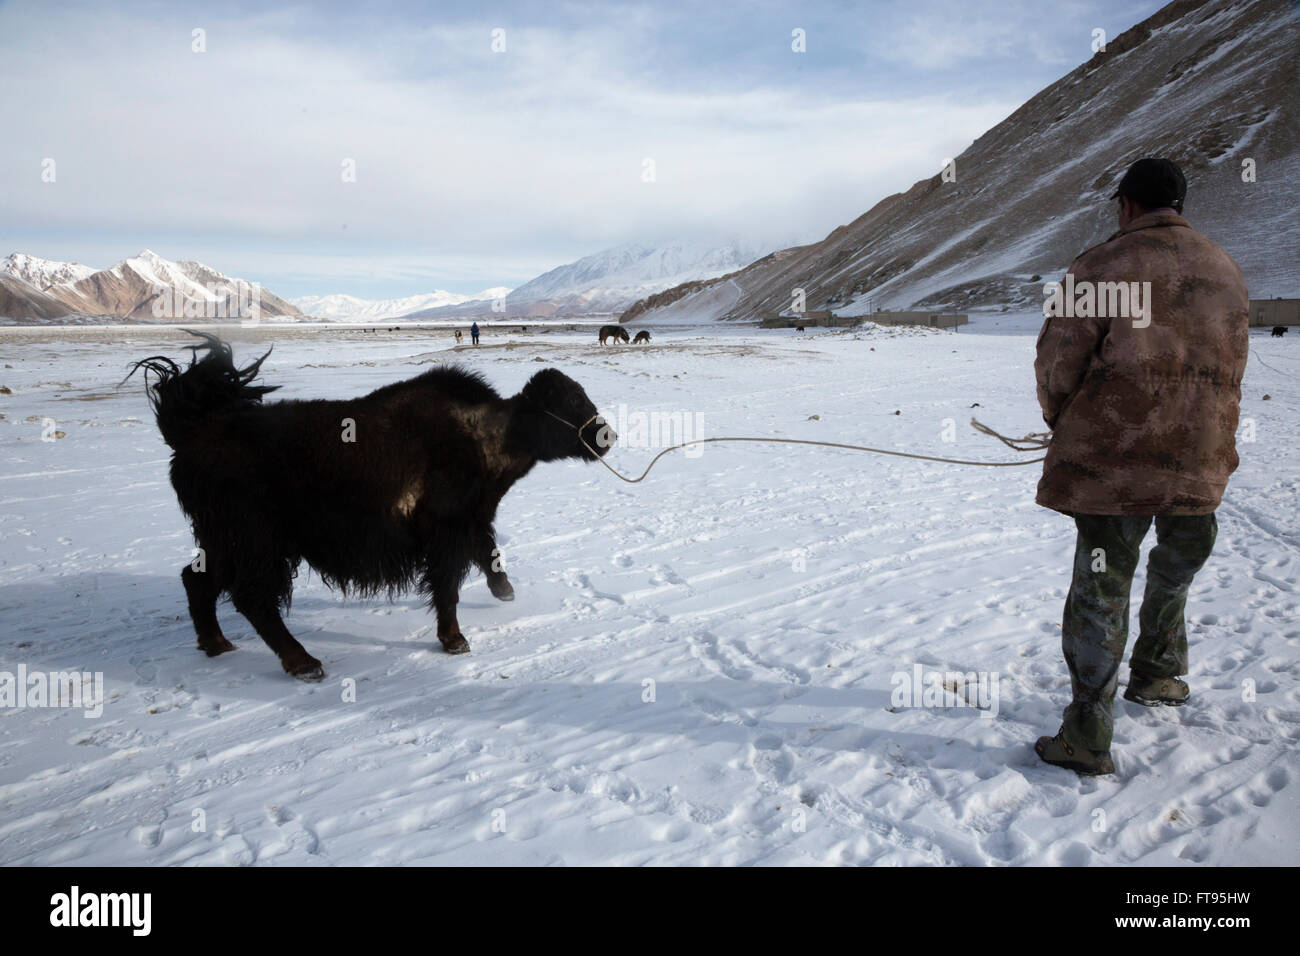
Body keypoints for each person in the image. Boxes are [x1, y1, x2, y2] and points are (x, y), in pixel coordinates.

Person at [1032, 157, 1249, 775]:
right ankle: (1157, 674)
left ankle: (1087, 734)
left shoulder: (1102, 266)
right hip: (1201, 460)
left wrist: (1066, 421)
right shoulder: (1225, 269)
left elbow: (1057, 362)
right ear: (1179, 206)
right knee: (1175, 569)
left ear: (1124, 204)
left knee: (1102, 586)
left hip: (1114, 463)